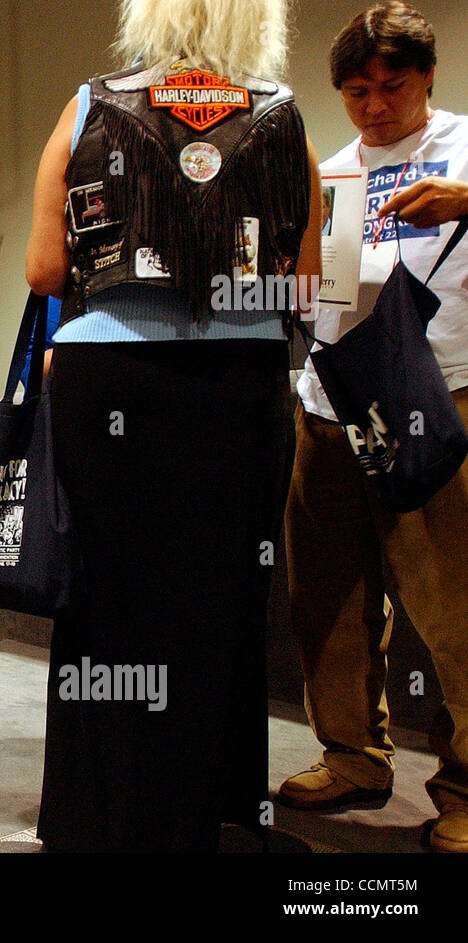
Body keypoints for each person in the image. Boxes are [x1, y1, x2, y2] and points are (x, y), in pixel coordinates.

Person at [24, 0, 321, 851]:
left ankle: (98, 818)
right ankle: (206, 811)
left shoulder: (89, 102)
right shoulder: (283, 114)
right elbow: (300, 289)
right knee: (218, 604)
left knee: (107, 599)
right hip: (236, 388)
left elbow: (47, 267)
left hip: (108, 376)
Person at [278, 1, 468, 854]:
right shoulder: (331, 170)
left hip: (438, 392)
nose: (376, 105)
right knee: (329, 595)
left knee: (454, 601)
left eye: (393, 85)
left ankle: (464, 786)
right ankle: (351, 753)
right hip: (327, 401)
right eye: (357, 91)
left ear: (428, 75)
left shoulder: (463, 146)